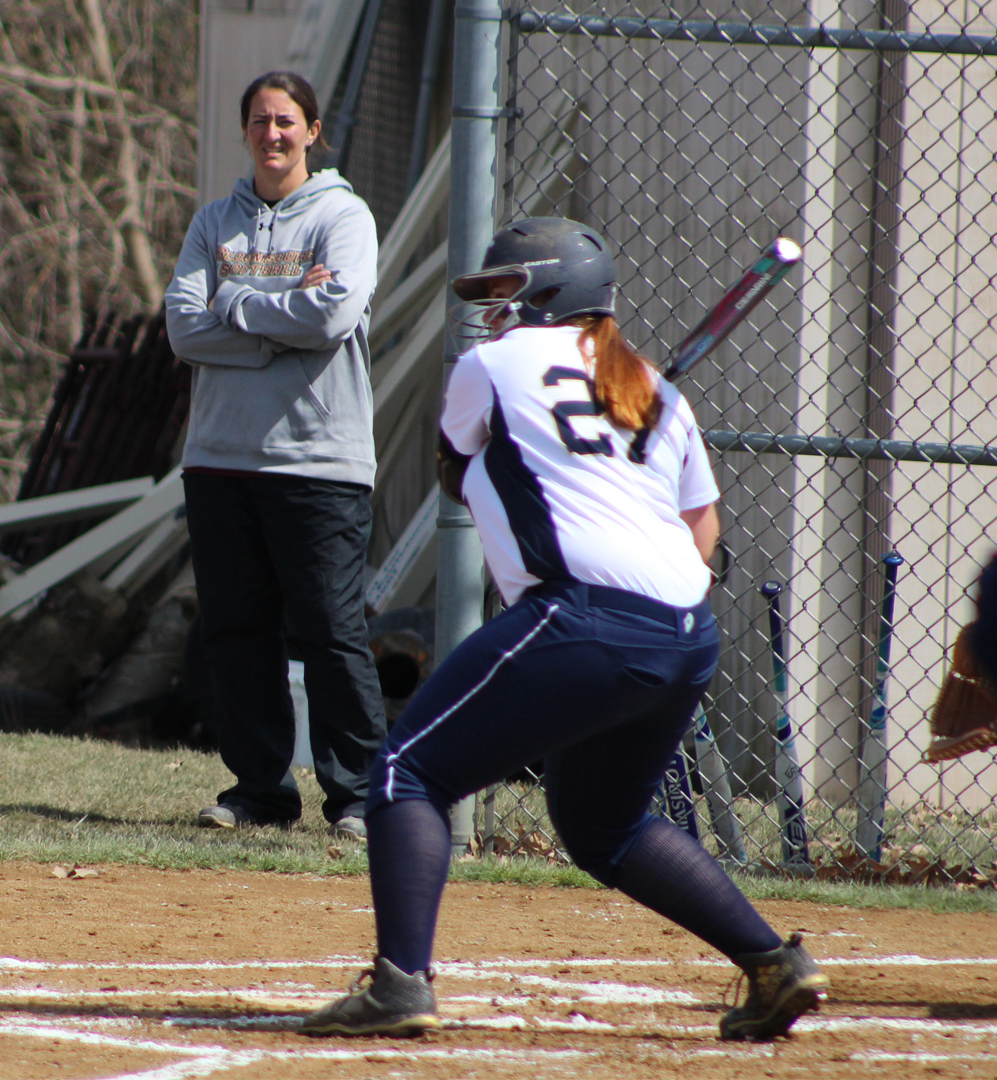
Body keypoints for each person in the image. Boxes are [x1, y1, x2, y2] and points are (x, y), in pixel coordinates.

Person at [298, 218, 827, 1041]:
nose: (493, 311)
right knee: (603, 826)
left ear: (551, 290)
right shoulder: (656, 393)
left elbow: (456, 467)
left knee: (408, 772)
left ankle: (400, 985)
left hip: (581, 616)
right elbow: (703, 534)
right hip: (686, 633)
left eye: (506, 291)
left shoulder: (491, 366)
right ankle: (772, 964)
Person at [163, 71, 387, 839]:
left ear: (312, 132)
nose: (273, 134)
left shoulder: (343, 217)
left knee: (330, 631)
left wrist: (233, 301)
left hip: (318, 463)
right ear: (246, 131)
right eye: (260, 121)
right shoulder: (214, 223)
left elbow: (331, 318)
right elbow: (183, 328)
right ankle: (259, 792)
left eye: (286, 121)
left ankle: (358, 797)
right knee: (236, 633)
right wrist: (274, 323)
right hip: (219, 460)